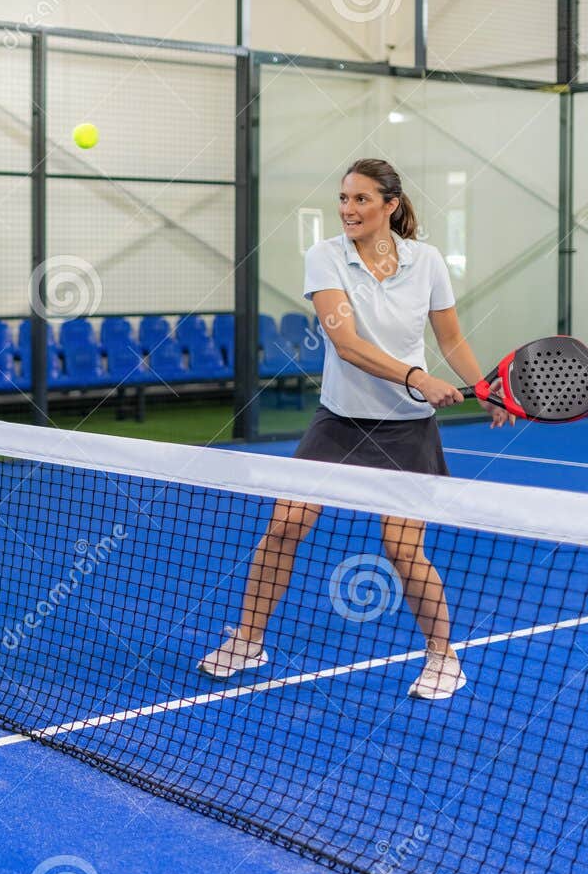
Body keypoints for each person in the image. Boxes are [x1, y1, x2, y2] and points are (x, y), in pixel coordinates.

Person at [197, 157, 512, 701]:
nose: (348, 209)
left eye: (361, 199)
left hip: (407, 428)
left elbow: (452, 339)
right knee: (285, 525)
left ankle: (445, 658)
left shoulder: (428, 261)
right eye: (343, 199)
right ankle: (249, 640)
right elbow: (346, 345)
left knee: (402, 547)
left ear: (390, 206)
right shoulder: (325, 258)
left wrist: (480, 386)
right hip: (339, 421)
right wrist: (417, 376)